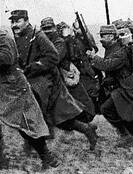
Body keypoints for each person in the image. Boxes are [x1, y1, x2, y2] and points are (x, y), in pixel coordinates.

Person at [0, 7, 57, 170]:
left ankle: (47, 158)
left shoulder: (2, 37)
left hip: (13, 86)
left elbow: (7, 58)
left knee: (24, 125)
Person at [41, 16, 99, 149]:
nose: (47, 31)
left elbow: (56, 58)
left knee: (65, 112)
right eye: (44, 29)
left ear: (55, 28)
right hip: (55, 79)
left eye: (50, 28)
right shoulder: (45, 41)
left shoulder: (60, 41)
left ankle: (86, 128)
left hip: (65, 78)